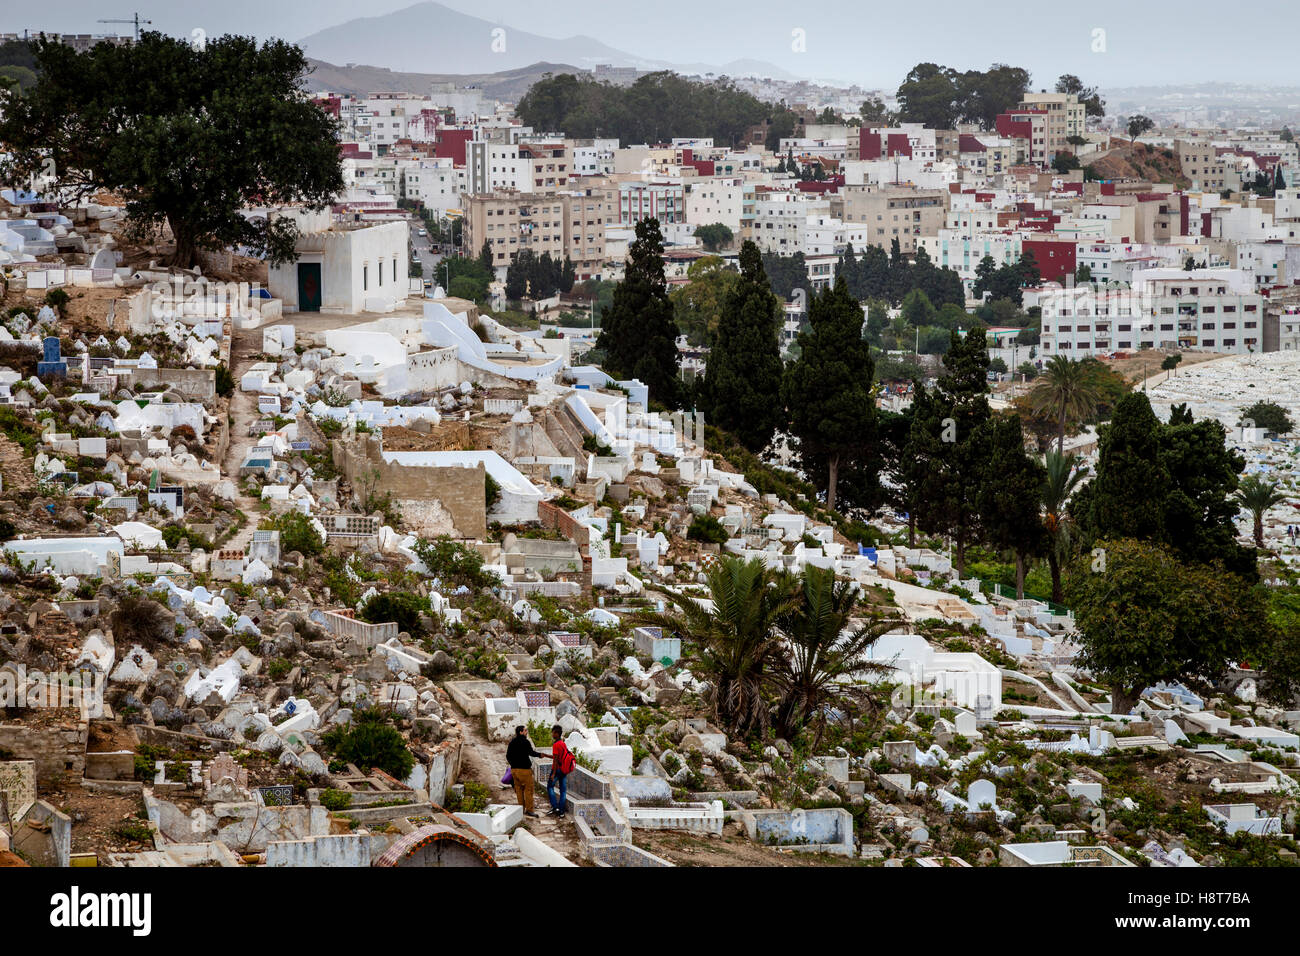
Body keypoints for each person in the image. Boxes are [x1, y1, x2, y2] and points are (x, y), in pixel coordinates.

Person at [505, 725, 547, 817]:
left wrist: (513, 764)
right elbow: (531, 753)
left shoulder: (512, 742)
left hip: (514, 770)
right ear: (520, 732)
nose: (526, 732)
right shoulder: (525, 742)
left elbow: (508, 755)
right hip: (524, 770)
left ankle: (520, 809)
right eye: (525, 730)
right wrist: (540, 755)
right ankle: (529, 810)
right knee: (528, 790)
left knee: (519, 790)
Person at [546, 723, 572, 817]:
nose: (552, 734)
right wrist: (546, 755)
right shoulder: (563, 744)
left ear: (556, 733)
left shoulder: (556, 745)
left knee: (550, 787)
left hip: (557, 770)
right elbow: (558, 757)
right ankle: (561, 811)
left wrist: (553, 773)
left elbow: (556, 760)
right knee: (563, 790)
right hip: (564, 769)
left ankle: (555, 807)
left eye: (553, 733)